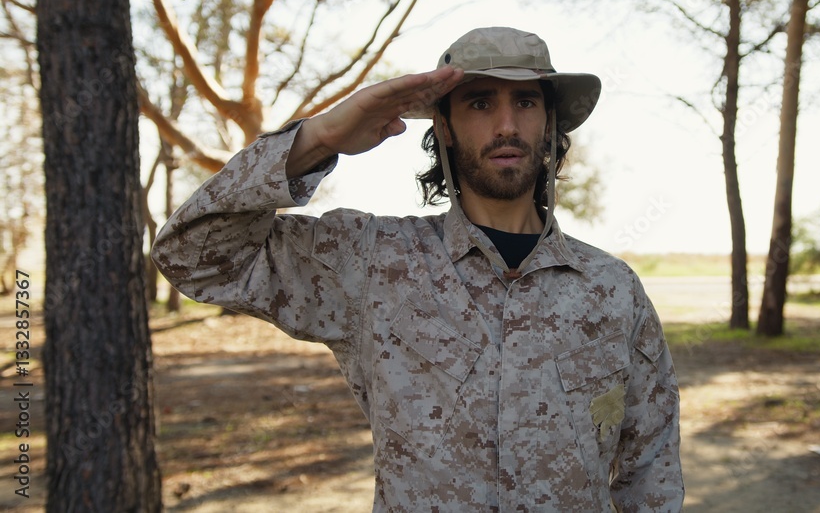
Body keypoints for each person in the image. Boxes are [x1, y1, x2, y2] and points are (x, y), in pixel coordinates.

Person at [153, 26, 684, 512]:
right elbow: (192, 256)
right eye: (480, 102)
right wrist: (320, 138)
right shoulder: (371, 260)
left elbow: (651, 471)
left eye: (525, 102)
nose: (506, 125)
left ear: (549, 125)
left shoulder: (613, 290)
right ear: (445, 128)